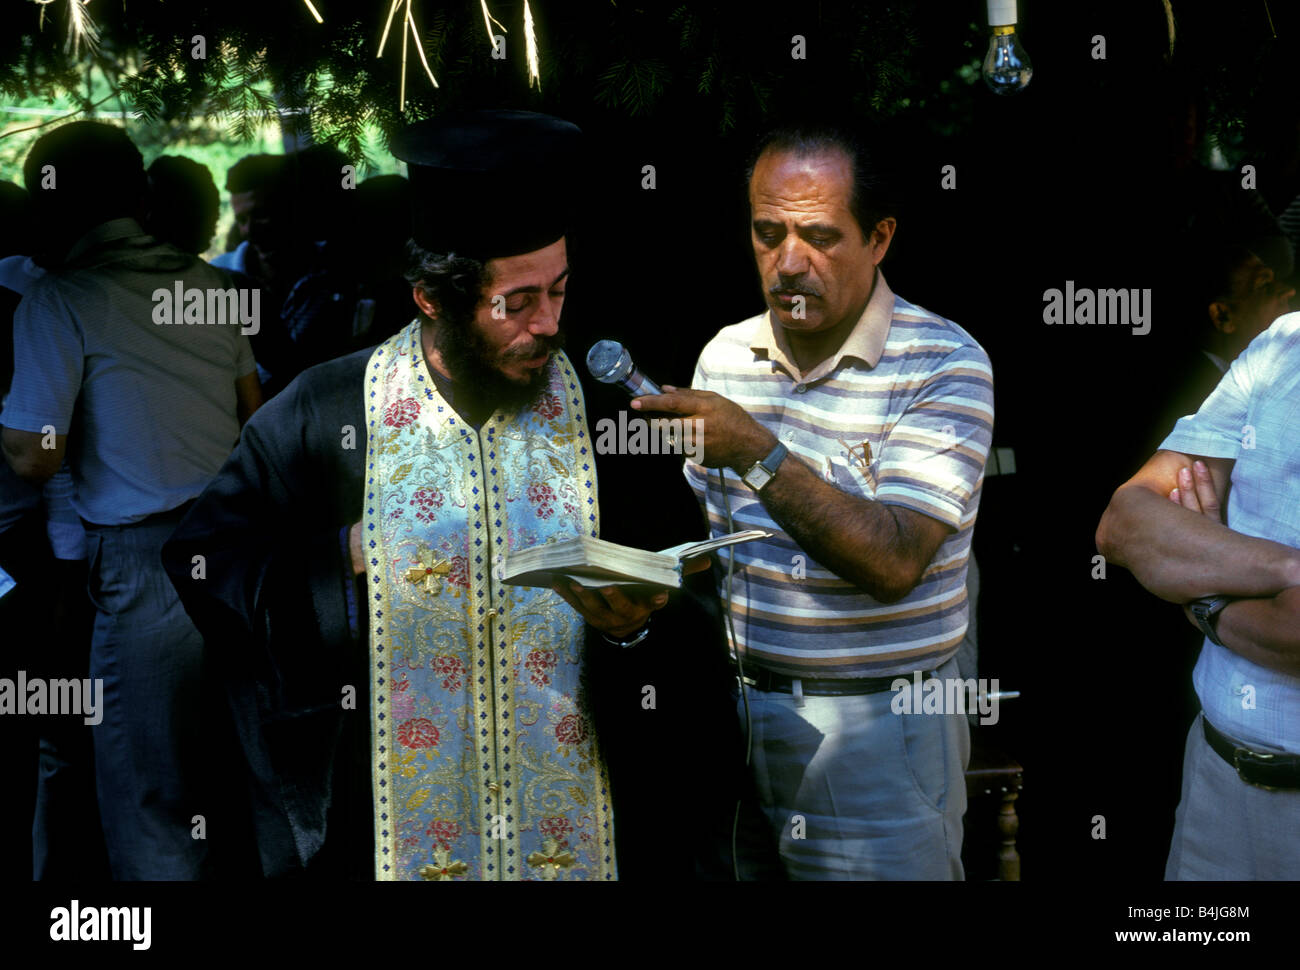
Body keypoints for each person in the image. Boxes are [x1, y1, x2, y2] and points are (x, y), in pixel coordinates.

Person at [162, 110, 665, 881]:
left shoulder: (602, 415)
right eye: (518, 303)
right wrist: (341, 559)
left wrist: (635, 631)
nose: (550, 324)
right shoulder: (325, 407)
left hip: (579, 813)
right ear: (433, 298)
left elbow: (676, 583)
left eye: (560, 291)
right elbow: (205, 560)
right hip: (387, 825)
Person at [637, 121, 994, 879]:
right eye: (769, 234)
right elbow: (719, 547)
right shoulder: (726, 356)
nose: (788, 263)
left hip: (879, 730)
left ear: (880, 238)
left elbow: (895, 561)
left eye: (820, 236)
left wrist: (758, 452)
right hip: (744, 718)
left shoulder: (944, 363)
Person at [0, 121, 263, 880]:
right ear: (142, 197)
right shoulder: (211, 286)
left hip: (145, 567)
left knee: (151, 795)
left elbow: (33, 454)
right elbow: (255, 413)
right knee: (226, 766)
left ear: (50, 208)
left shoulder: (61, 299)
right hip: (238, 546)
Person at [1096, 312, 1300, 880]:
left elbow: (1296, 634)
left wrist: (1205, 583)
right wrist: (1285, 566)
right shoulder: (1287, 341)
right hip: (1215, 777)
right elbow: (1124, 522)